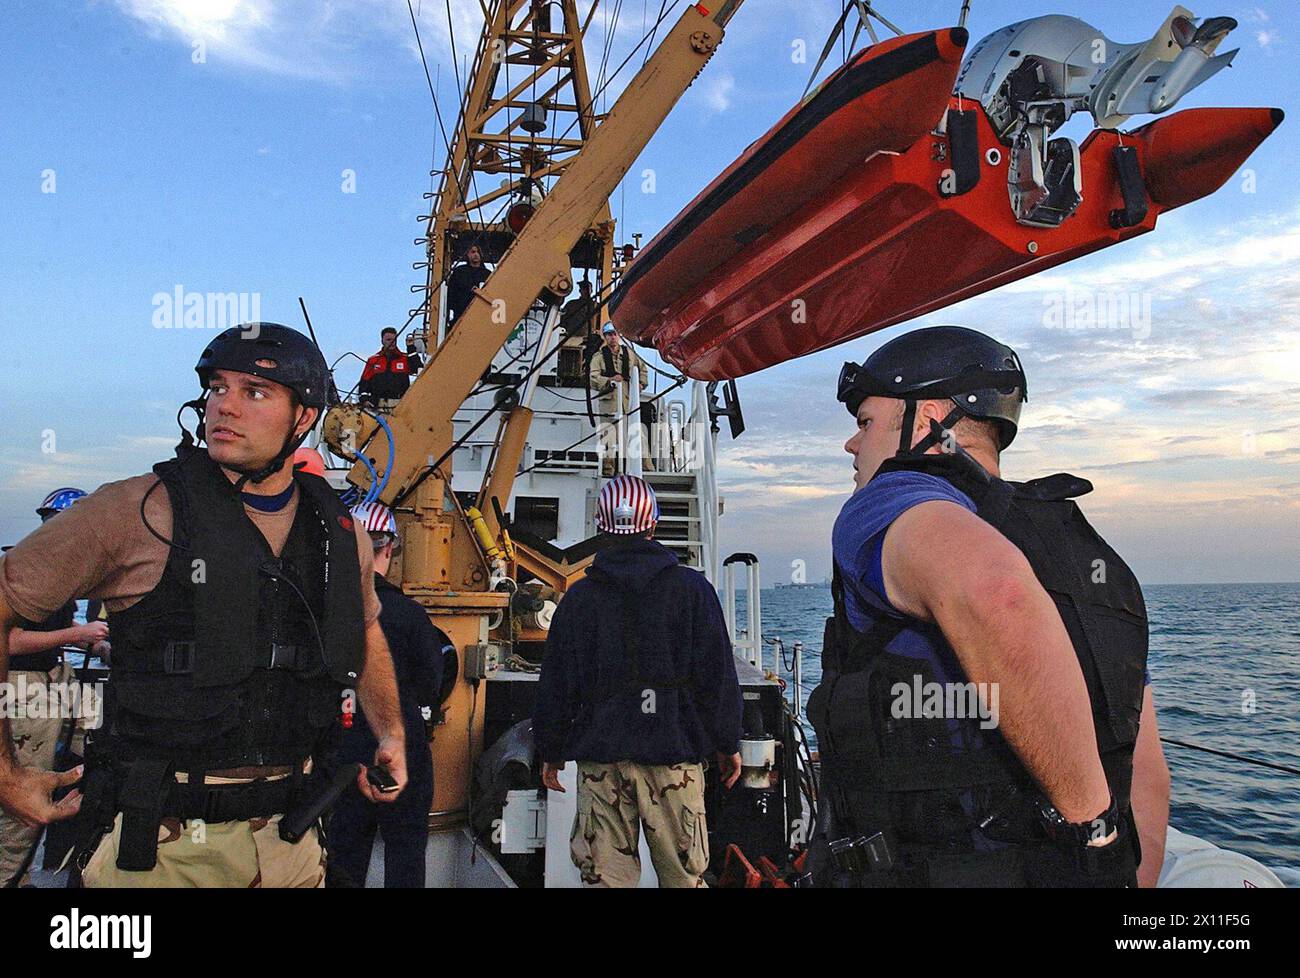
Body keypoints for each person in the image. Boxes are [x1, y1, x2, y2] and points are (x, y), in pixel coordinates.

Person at [0, 322, 408, 888]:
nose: (225, 408)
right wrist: (5, 775)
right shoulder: (135, 511)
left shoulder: (339, 533)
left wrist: (391, 733)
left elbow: (363, 632)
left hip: (292, 844)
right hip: (156, 851)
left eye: (255, 392)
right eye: (218, 388)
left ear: (304, 418)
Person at [809, 324, 1168, 888]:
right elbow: (1143, 768)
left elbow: (997, 594)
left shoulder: (889, 501)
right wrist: (1107, 865)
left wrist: (1085, 826)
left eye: (865, 422)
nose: (853, 445)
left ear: (927, 418)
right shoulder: (1077, 551)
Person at [535, 475, 743, 888]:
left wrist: (551, 749)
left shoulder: (578, 600)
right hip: (674, 759)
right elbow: (717, 677)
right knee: (685, 878)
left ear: (601, 526)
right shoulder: (692, 591)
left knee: (606, 881)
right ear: (653, 524)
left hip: (601, 761)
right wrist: (728, 743)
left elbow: (557, 683)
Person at [329, 501, 448, 888]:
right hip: (402, 750)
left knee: (341, 859)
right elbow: (431, 684)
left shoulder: (324, 612)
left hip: (338, 751)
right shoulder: (409, 614)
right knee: (406, 858)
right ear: (389, 548)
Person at [0, 488, 105, 888]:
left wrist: (98, 644)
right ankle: (15, 877)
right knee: (24, 793)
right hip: (25, 689)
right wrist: (76, 632)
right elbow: (9, 640)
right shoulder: (23, 573)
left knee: (92, 749)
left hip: (58, 679)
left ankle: (71, 859)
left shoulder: (60, 573)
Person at [588, 323, 652, 475]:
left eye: (615, 334)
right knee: (608, 436)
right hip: (609, 401)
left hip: (628, 400)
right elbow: (593, 377)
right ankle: (608, 469)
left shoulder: (630, 354)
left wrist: (641, 384)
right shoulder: (599, 357)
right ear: (605, 337)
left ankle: (647, 468)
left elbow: (643, 369)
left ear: (620, 336)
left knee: (638, 434)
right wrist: (609, 380)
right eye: (609, 334)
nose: (613, 337)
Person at [358, 327, 422, 408]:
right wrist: (364, 400)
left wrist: (411, 348)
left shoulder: (404, 358)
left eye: (394, 340)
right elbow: (364, 383)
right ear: (382, 341)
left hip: (399, 406)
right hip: (377, 405)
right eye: (388, 340)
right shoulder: (373, 360)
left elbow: (419, 369)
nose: (392, 342)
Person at [445, 244, 492, 331]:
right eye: (473, 252)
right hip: (461, 313)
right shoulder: (459, 272)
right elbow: (451, 293)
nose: (476, 254)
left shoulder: (488, 274)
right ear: (467, 255)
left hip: (482, 315)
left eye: (478, 252)